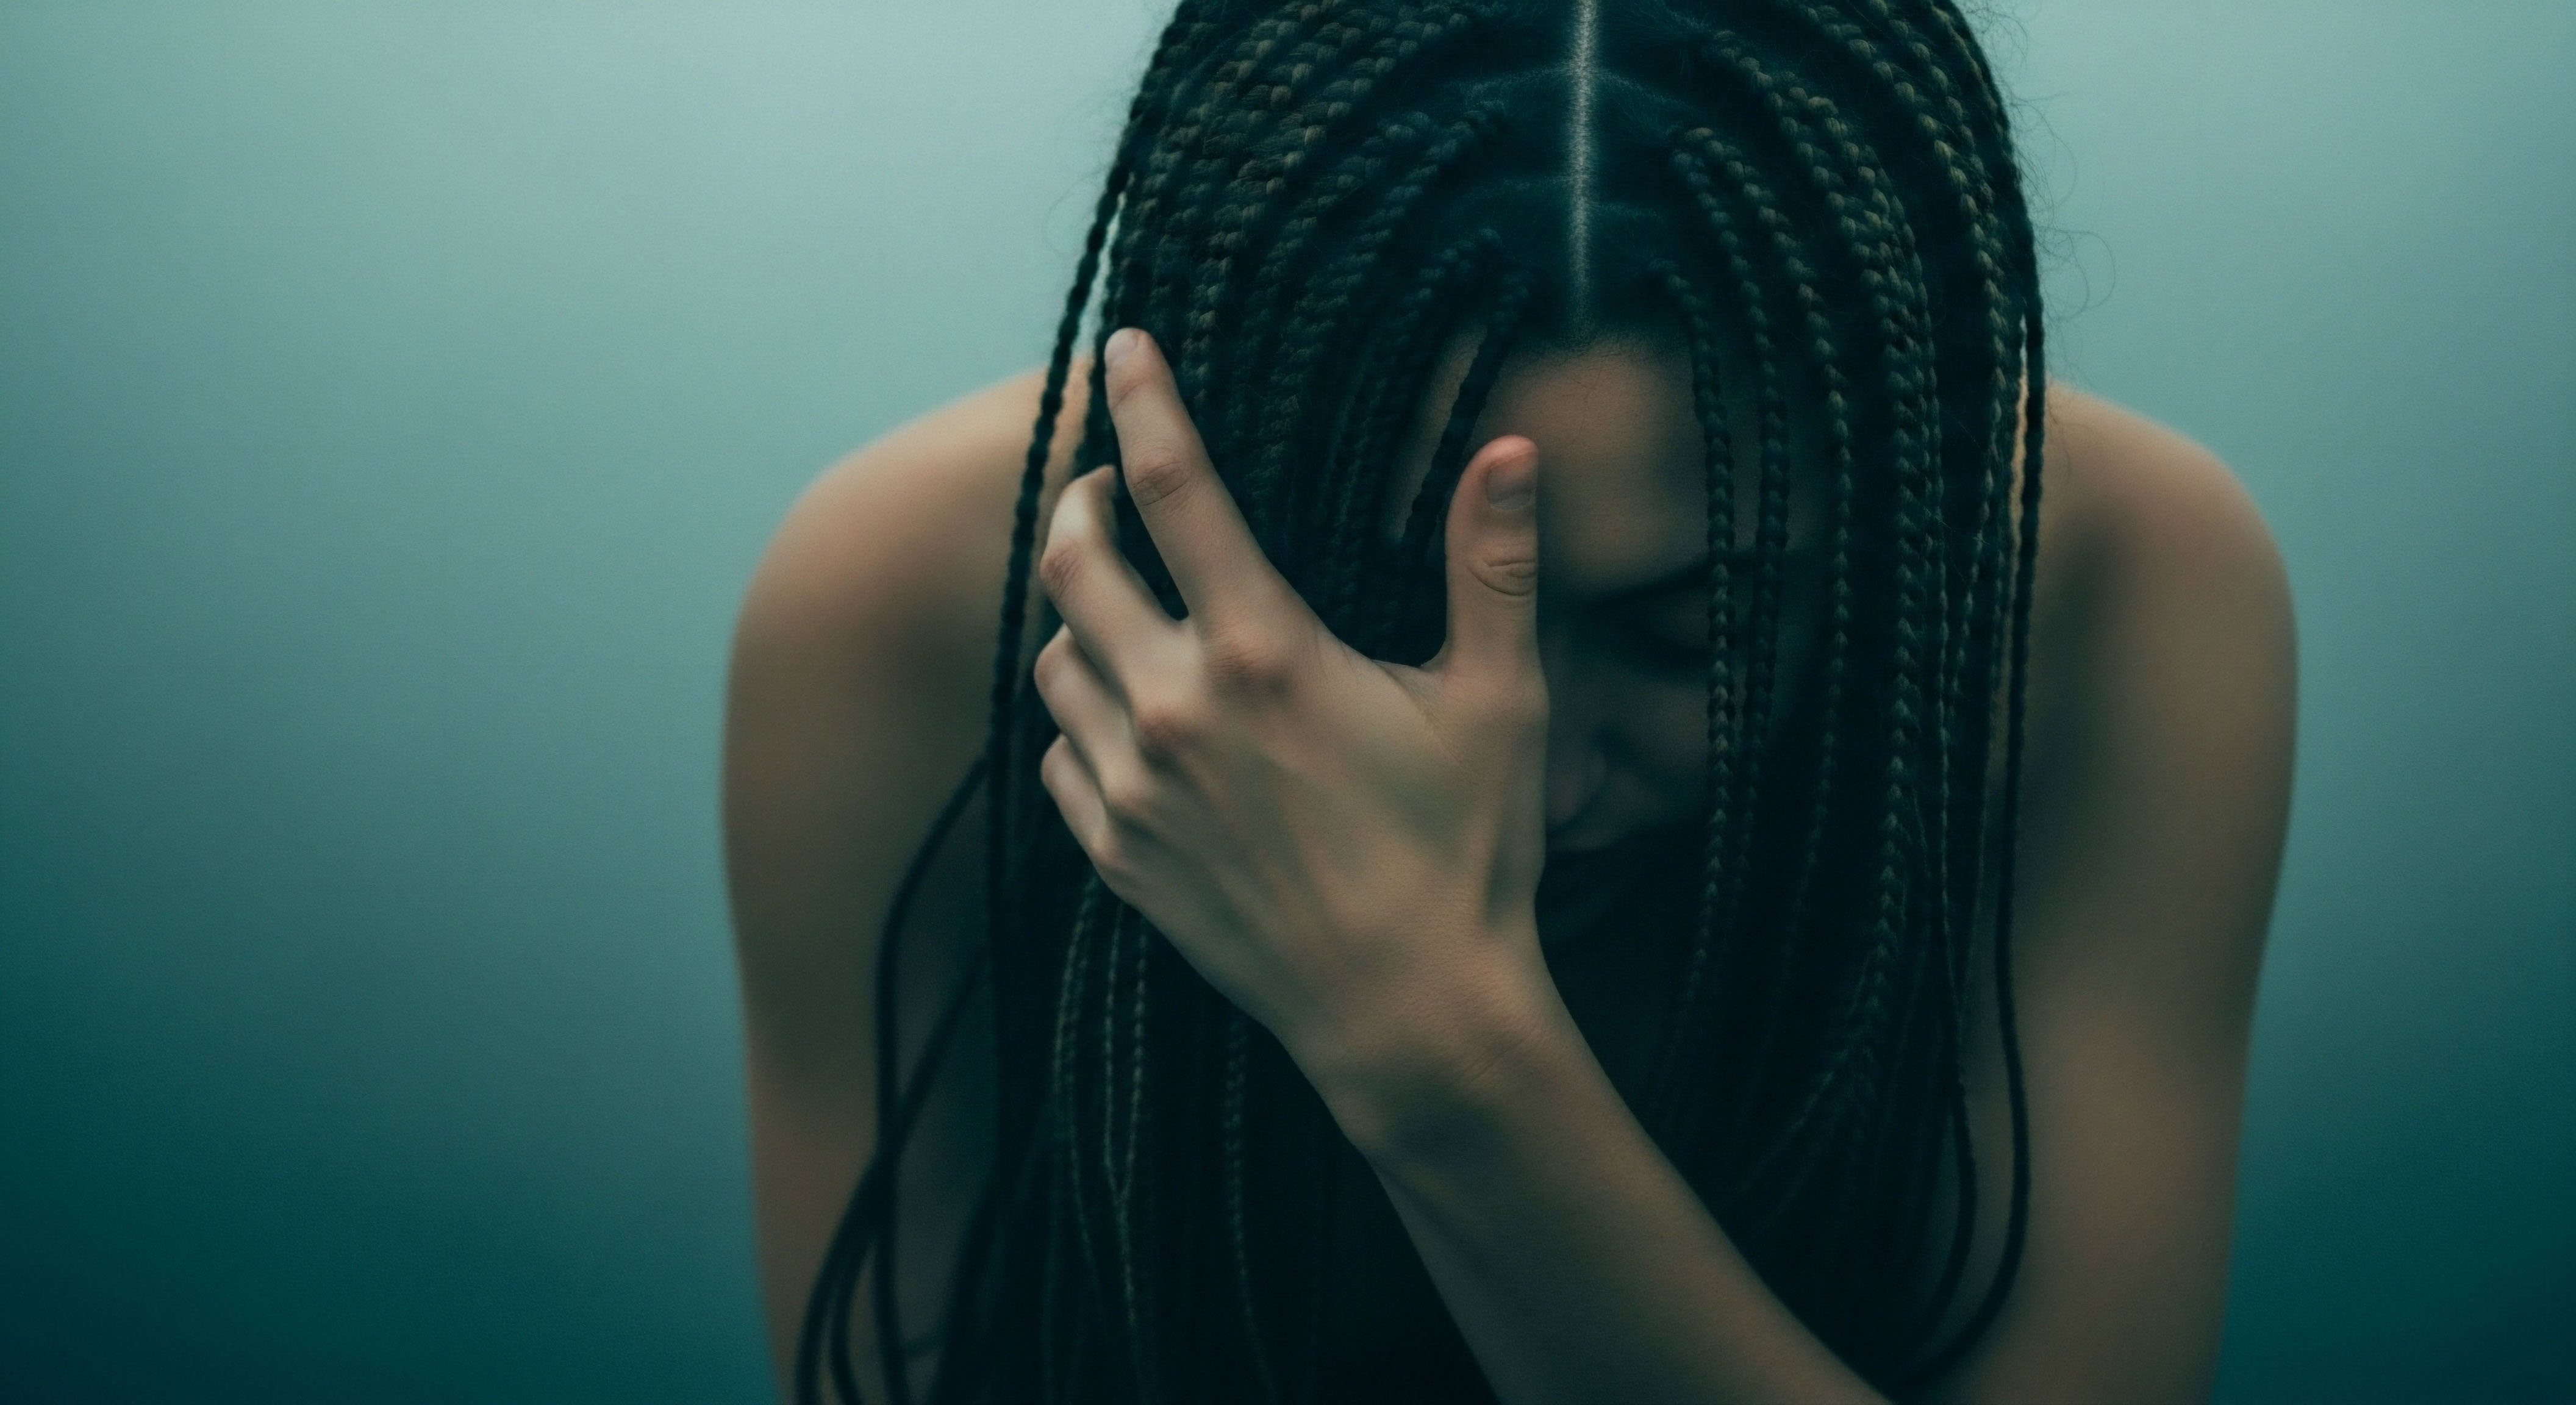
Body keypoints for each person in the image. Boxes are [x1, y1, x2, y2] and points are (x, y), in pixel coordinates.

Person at [723, 1, 2295, 1400]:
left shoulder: (2114, 595)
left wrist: (1428, 1037)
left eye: (1698, 633)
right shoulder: (904, 611)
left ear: (1907, 512)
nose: (1529, 788)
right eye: (1387, 610)